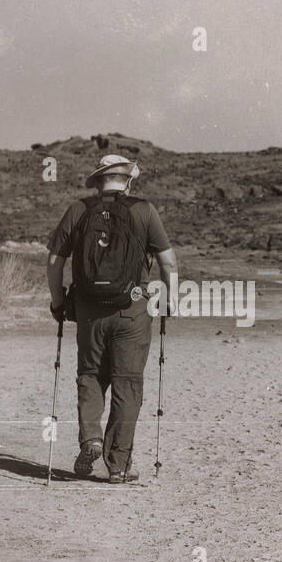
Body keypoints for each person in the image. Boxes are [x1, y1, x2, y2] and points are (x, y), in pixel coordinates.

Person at [46, 155, 178, 483]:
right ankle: (118, 465)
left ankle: (90, 438)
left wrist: (59, 302)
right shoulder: (144, 210)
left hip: (90, 312)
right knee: (127, 384)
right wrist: (169, 301)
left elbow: (53, 260)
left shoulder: (79, 209)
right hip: (133, 311)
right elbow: (169, 263)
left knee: (90, 374)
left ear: (99, 181)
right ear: (128, 181)